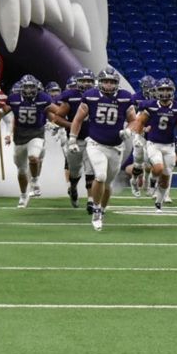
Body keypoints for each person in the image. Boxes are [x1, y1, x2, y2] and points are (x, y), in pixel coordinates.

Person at [69, 66, 136, 231]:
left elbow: (134, 120)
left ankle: (102, 209)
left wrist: (129, 130)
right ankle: (96, 210)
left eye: (111, 82)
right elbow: (78, 119)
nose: (108, 85)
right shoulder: (90, 96)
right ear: (100, 82)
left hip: (116, 147)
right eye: (105, 81)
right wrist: (72, 139)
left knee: (108, 184)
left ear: (117, 83)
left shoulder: (125, 98)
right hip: (95, 143)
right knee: (100, 175)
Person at [1, 75, 59, 208]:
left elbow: (58, 111)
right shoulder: (14, 99)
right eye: (26, 87)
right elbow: (1, 114)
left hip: (36, 134)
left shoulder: (43, 98)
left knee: (33, 158)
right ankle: (23, 195)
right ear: (21, 88)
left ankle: (35, 181)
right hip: (20, 137)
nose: (28, 90)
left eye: (31, 87)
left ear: (37, 87)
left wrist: (54, 122)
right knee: (21, 171)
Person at [134, 77, 177, 213]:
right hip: (154, 143)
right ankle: (151, 182)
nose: (164, 92)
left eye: (167, 89)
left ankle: (159, 202)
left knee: (166, 176)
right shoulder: (150, 105)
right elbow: (140, 121)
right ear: (157, 91)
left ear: (173, 91)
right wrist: (138, 136)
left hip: (169, 145)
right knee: (158, 168)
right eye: (162, 89)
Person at [51, 68, 95, 209]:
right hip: (75, 140)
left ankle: (90, 200)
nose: (87, 84)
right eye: (83, 81)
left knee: (91, 170)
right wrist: (72, 125)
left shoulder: (99, 96)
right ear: (77, 82)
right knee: (75, 172)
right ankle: (74, 188)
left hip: (94, 140)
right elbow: (57, 118)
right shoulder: (70, 96)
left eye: (89, 81)